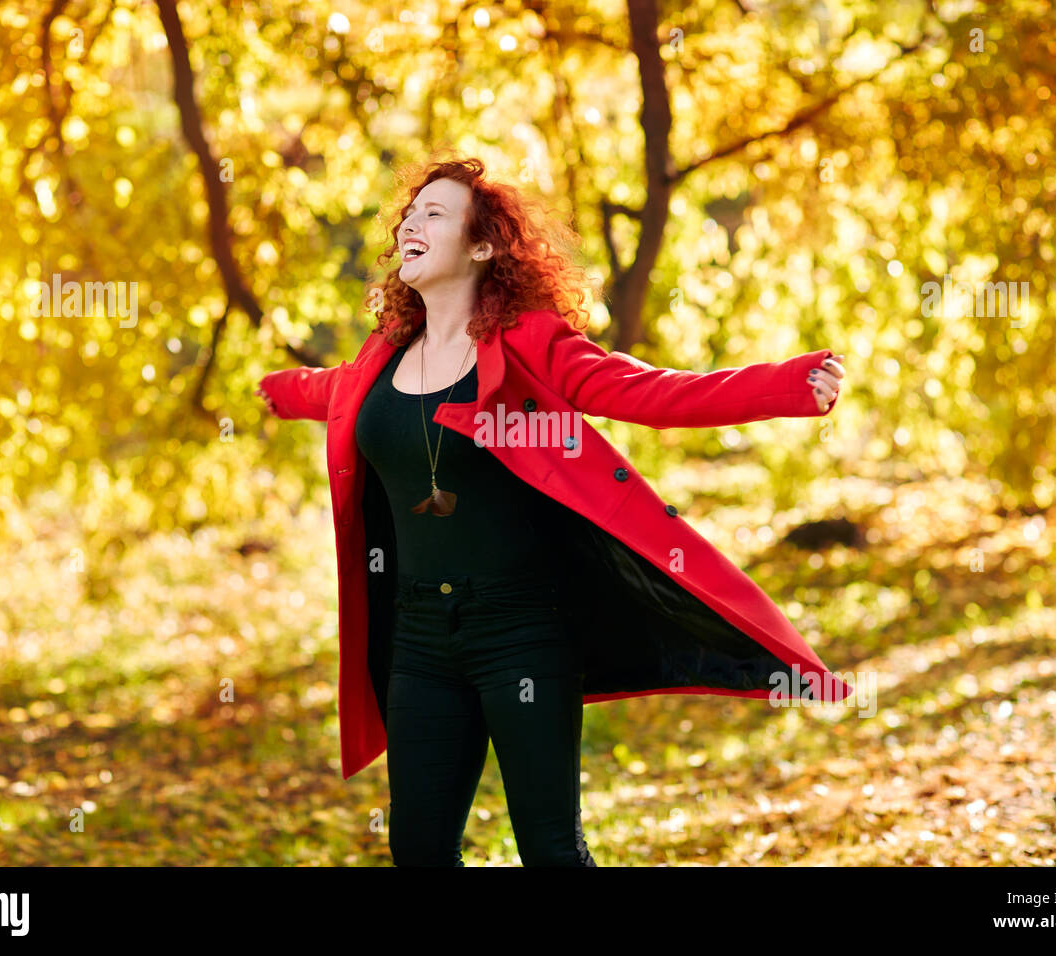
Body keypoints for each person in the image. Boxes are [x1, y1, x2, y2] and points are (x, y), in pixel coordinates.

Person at [257, 156, 846, 866]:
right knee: (416, 849)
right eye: (409, 214)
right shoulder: (380, 358)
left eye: (434, 213)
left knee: (551, 851)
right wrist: (273, 392)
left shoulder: (529, 346)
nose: (411, 222)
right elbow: (330, 392)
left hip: (522, 635)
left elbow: (653, 393)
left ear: (481, 246)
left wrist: (787, 385)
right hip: (417, 641)